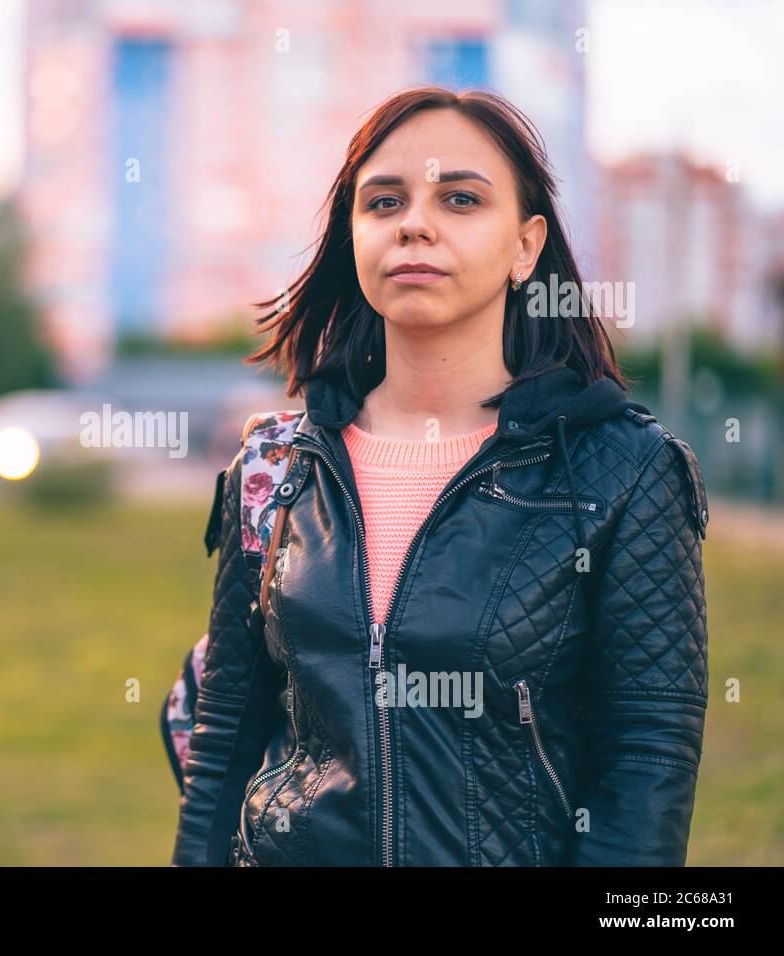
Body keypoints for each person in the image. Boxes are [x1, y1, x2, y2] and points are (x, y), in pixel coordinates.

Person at [170, 86, 710, 867]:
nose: (414, 222)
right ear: (353, 237)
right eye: (384, 201)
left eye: (460, 198)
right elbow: (223, 739)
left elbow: (646, 768)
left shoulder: (623, 472)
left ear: (527, 246)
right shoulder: (272, 466)